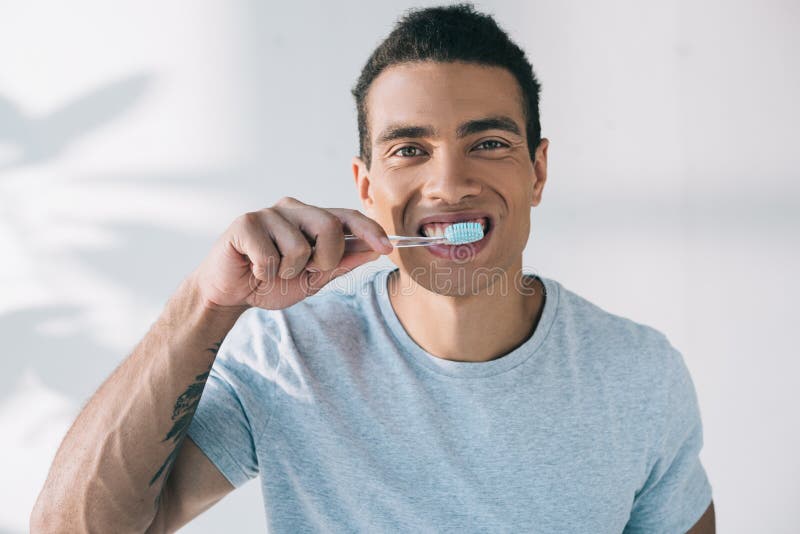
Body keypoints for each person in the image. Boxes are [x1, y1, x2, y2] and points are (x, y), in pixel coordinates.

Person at [31, 4, 715, 533]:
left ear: (537, 172)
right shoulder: (292, 356)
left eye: (488, 142)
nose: (449, 184)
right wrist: (207, 302)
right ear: (365, 186)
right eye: (410, 150)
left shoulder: (639, 374)